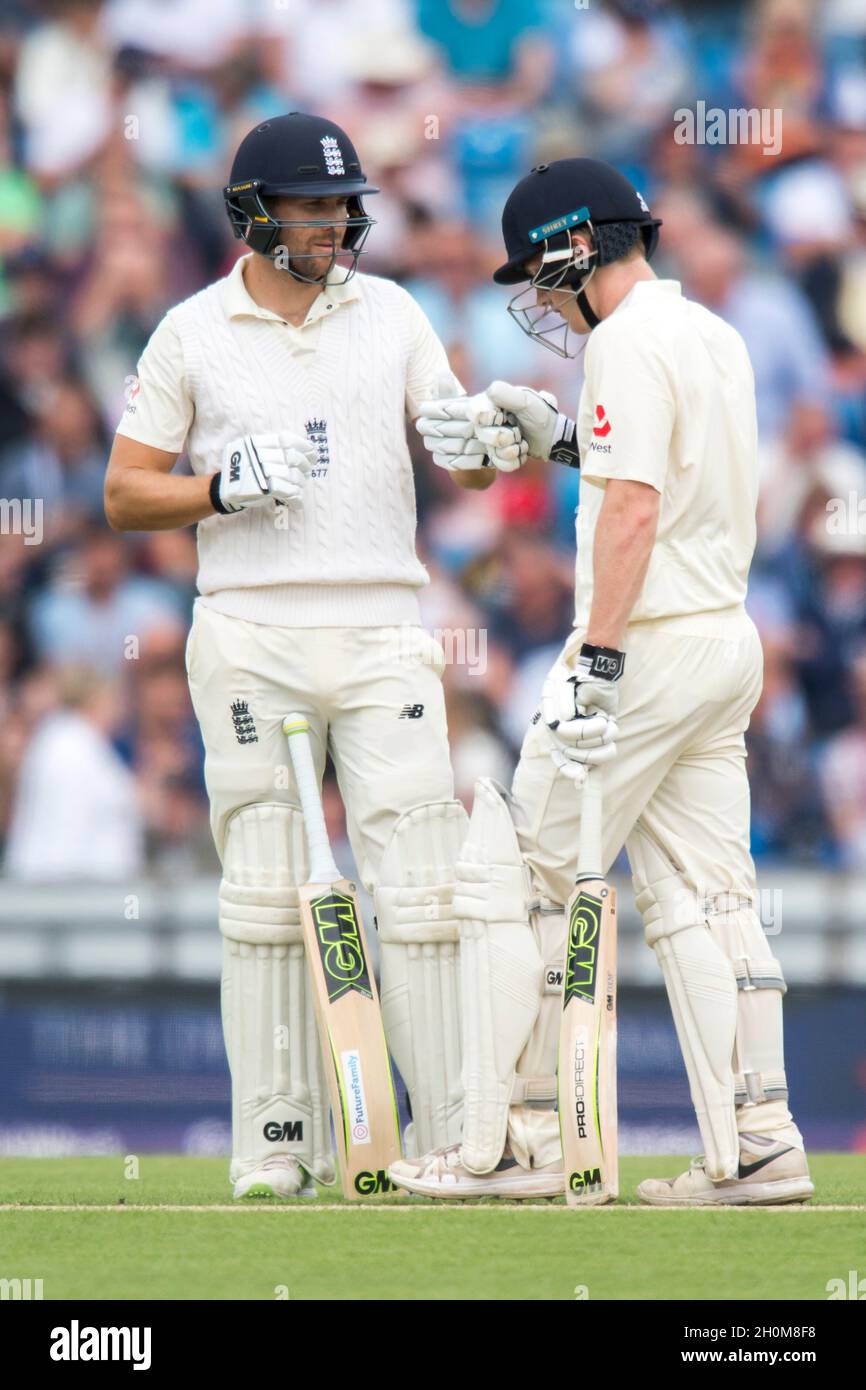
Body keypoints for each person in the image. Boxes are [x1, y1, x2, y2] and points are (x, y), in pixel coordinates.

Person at [395, 157, 814, 1205]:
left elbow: (632, 511)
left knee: (514, 869)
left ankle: (511, 1143)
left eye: (538, 276)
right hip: (722, 641)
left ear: (575, 248)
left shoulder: (624, 342)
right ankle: (759, 1139)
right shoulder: (708, 331)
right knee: (711, 896)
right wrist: (558, 440)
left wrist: (598, 661)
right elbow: (662, 473)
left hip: (647, 649)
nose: (537, 301)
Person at [104, 112, 493, 1200]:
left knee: (418, 886)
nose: (334, 222)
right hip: (249, 630)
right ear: (253, 215)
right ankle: (278, 1141)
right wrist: (219, 487)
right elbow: (125, 492)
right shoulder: (192, 329)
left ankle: (453, 1134)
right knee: (267, 894)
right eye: (312, 205)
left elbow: (458, 460)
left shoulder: (397, 312)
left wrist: (478, 445)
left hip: (381, 627)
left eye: (341, 204)